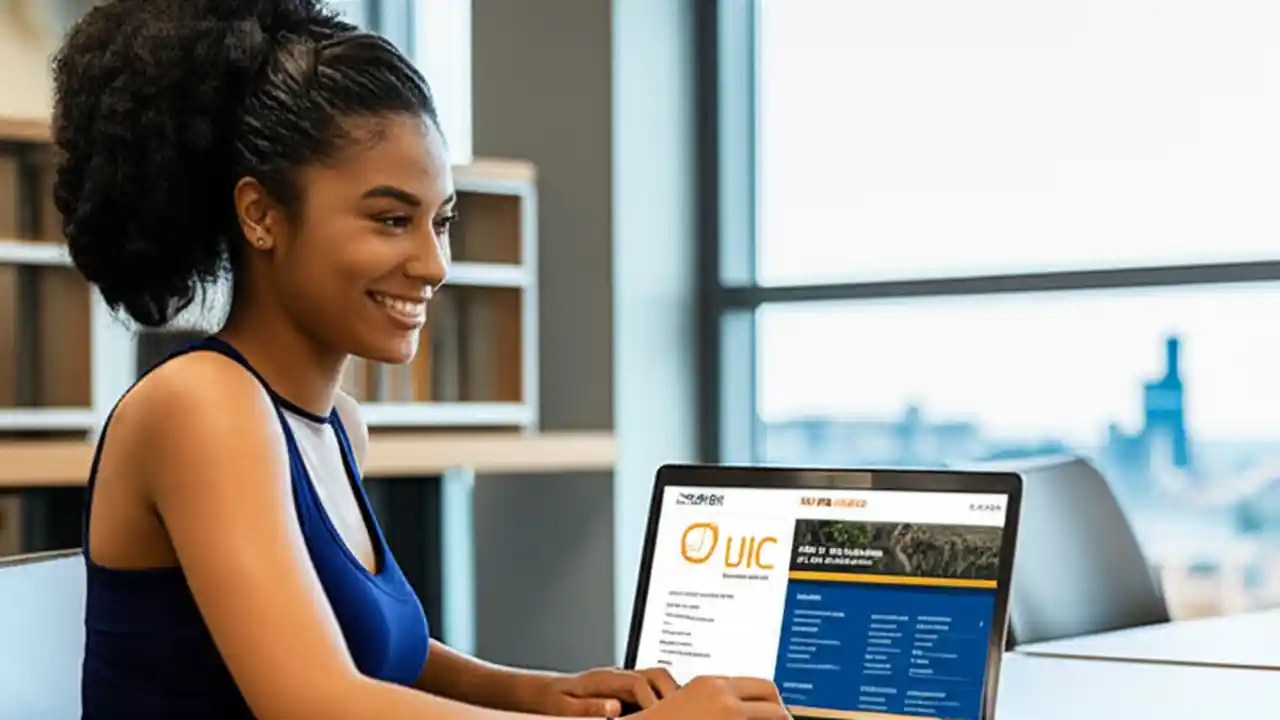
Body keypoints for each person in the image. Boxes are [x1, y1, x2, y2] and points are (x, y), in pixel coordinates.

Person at [51, 1, 789, 718]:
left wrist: (534, 692)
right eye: (391, 219)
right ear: (261, 214)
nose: (434, 264)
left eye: (441, 222)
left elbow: (361, 643)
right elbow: (314, 701)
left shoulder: (336, 425)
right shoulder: (201, 405)